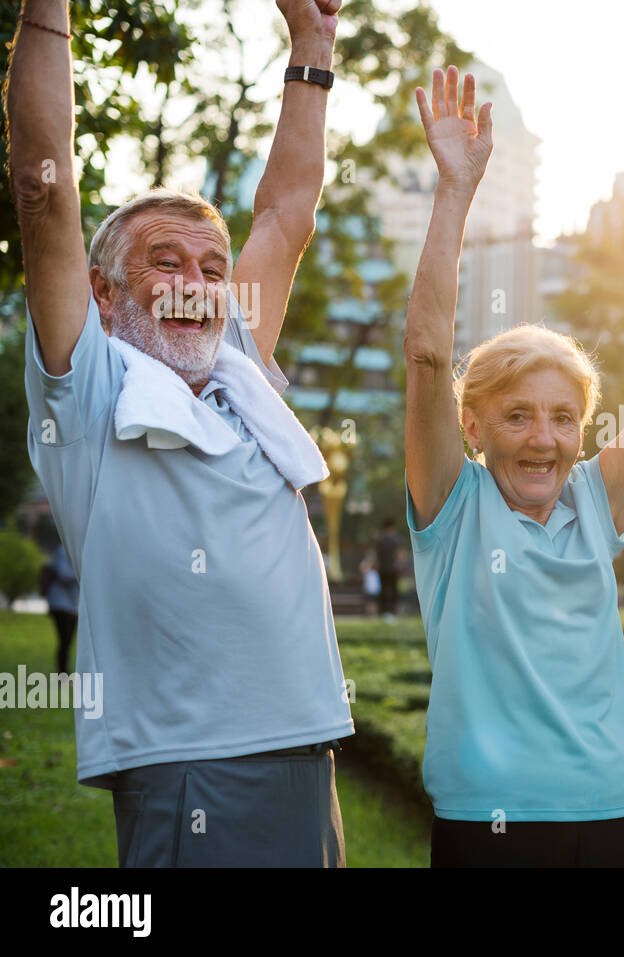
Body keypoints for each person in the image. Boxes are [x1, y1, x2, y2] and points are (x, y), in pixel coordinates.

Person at [10, 0, 353, 866]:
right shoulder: (91, 391)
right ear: (104, 293)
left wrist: (312, 45)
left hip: (306, 753)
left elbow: (284, 215)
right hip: (194, 769)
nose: (199, 282)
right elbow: (43, 186)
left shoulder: (235, 363)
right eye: (166, 261)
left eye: (211, 266)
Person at [403, 66, 624, 866]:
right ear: (474, 424)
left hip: (612, 813)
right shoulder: (454, 505)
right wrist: (454, 192)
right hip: (489, 822)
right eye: (518, 415)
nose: (543, 439)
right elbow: (425, 352)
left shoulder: (596, 500)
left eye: (563, 418)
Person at [41, 542, 78, 674]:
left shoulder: (74, 549)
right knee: (65, 640)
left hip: (72, 605)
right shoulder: (64, 550)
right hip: (61, 603)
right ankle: (62, 675)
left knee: (67, 641)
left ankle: (64, 674)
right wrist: (83, 573)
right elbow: (64, 574)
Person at [376, 517, 401, 619]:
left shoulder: (380, 539)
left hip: (382, 569)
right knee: (393, 590)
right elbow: (399, 554)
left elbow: (376, 555)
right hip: (393, 569)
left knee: (383, 589)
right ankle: (392, 610)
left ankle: (383, 611)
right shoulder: (396, 539)